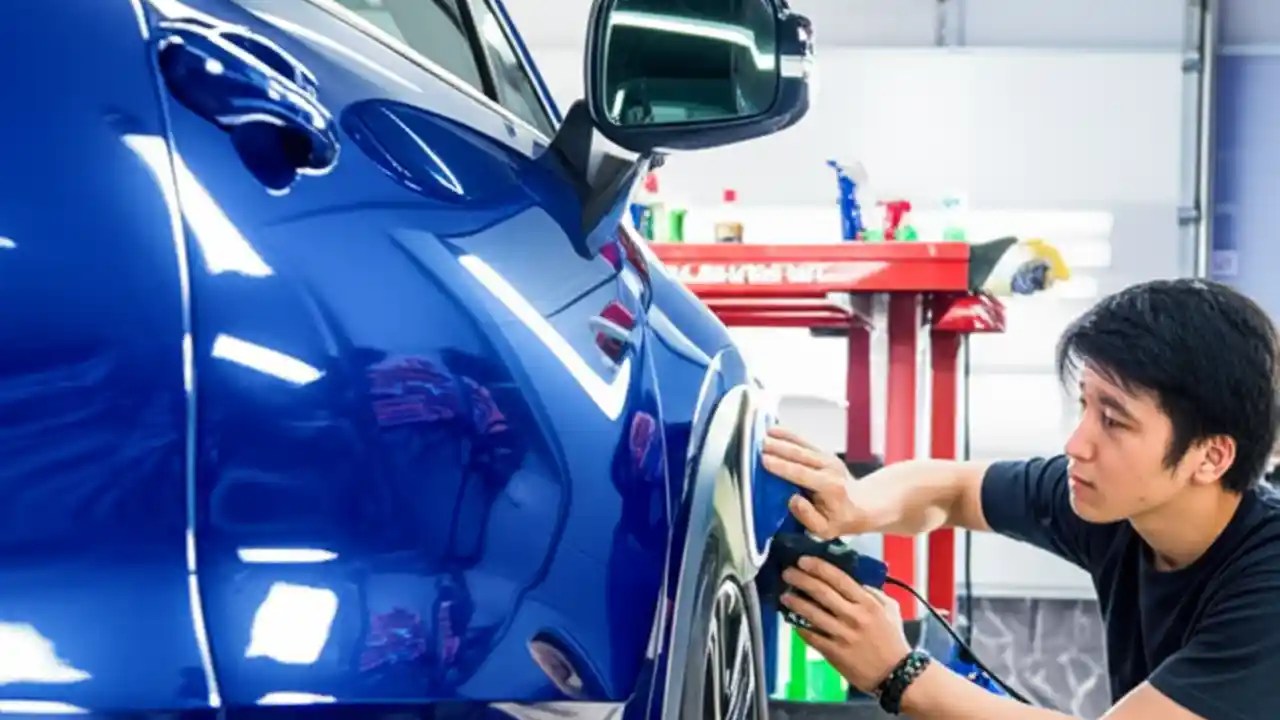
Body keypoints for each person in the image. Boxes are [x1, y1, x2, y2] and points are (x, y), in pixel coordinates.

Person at [762, 278, 1280, 719]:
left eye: (1113, 421)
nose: (1076, 444)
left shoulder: (1267, 581)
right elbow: (955, 488)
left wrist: (901, 674)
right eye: (1084, 405)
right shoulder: (1117, 502)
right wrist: (855, 504)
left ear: (1210, 457)